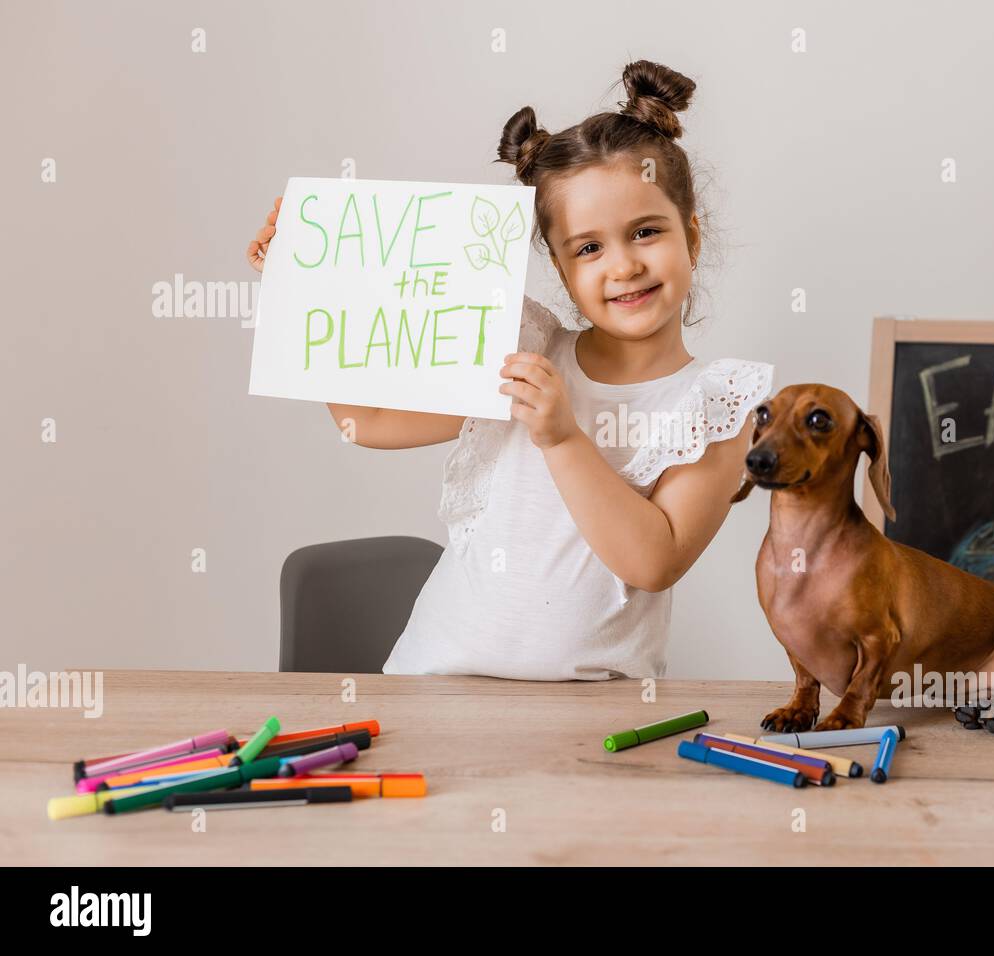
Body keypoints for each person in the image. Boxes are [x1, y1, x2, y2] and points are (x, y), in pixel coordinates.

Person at [246, 60, 774, 680]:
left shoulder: (716, 403)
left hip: (592, 723)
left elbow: (653, 560)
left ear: (692, 235)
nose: (624, 265)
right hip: (432, 684)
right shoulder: (526, 349)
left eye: (646, 232)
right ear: (560, 266)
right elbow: (367, 421)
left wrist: (563, 437)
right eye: (589, 247)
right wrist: (303, 281)